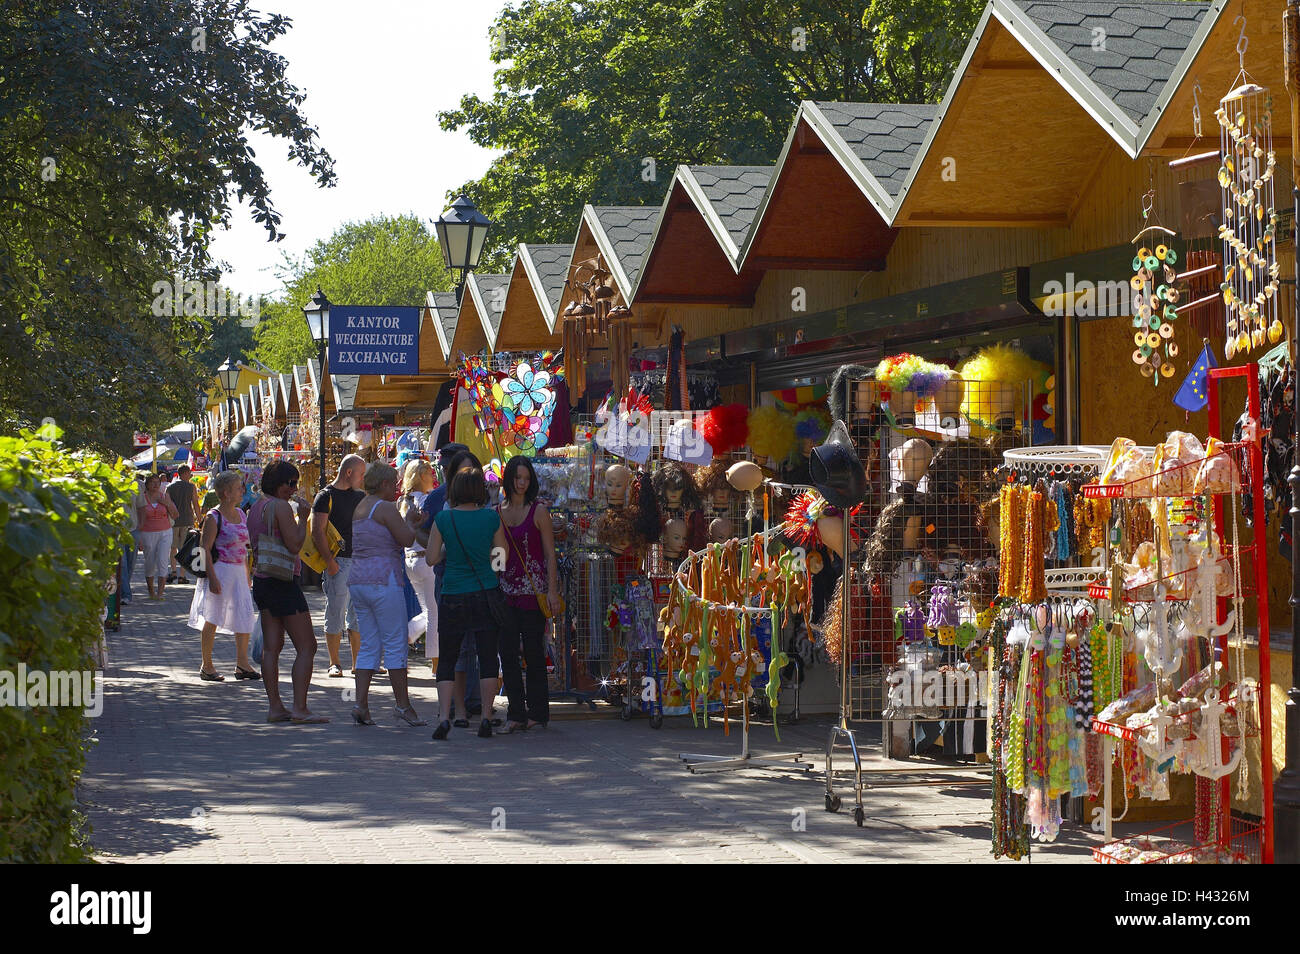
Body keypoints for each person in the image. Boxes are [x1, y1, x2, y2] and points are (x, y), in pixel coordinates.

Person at [426, 467, 508, 740]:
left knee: (448, 658)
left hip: (453, 594)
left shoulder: (443, 519)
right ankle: (486, 716)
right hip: (485, 592)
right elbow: (500, 558)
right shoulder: (490, 518)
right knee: (487, 658)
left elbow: (431, 559)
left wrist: (453, 549)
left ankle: (444, 717)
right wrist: (485, 560)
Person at [249, 460, 328, 724]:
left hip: (262, 579)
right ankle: (300, 708)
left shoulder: (256, 506)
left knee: (272, 647)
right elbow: (295, 545)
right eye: (290, 483)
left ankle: (275, 707)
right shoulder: (280, 507)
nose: (293, 489)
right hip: (283, 581)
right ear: (277, 483)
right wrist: (304, 517)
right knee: (308, 645)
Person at [348, 463, 423, 726]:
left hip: (359, 580)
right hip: (384, 580)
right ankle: (403, 706)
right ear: (383, 485)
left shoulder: (360, 507)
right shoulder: (385, 508)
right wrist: (411, 520)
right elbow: (405, 538)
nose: (398, 487)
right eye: (394, 483)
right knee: (395, 642)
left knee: (369, 643)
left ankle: (360, 703)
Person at [497, 456, 561, 731]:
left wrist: (552, 590)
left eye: (526, 478)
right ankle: (515, 712)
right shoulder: (497, 511)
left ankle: (537, 712)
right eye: (517, 478)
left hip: (534, 595)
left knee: (534, 653)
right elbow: (497, 555)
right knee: (508, 653)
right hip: (506, 592)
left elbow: (550, 555)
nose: (521, 483)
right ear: (509, 479)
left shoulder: (539, 512)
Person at [188, 470, 258, 681]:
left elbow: (244, 548)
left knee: (244, 616)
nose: (242, 491)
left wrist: (247, 574)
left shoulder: (241, 514)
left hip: (238, 571)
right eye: (239, 488)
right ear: (226, 492)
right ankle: (207, 665)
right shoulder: (213, 516)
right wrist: (212, 578)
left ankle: (242, 664)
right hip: (220, 570)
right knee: (213, 617)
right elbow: (204, 549)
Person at [313, 455, 367, 678]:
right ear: (348, 473)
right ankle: (334, 662)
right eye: (361, 474)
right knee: (335, 611)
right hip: (340, 562)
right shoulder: (325, 496)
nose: (362, 479)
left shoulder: (361, 496)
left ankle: (358, 663)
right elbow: (317, 531)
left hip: (360, 562)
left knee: (358, 614)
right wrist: (330, 562)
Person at [400, 459, 437, 653]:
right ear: (422, 476)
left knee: (428, 609)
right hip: (424, 559)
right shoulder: (425, 501)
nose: (432, 477)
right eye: (430, 473)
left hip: (410, 560)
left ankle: (406, 634)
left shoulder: (403, 502)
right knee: (433, 613)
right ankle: (435, 661)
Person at [136, 473, 179, 600]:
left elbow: (176, 515)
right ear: (147, 485)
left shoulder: (164, 496)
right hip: (147, 533)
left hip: (165, 532)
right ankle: (151, 591)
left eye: (157, 482)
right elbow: (139, 519)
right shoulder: (142, 498)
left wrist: (167, 503)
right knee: (150, 563)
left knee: (162, 560)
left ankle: (160, 593)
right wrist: (139, 539)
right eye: (152, 482)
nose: (155, 485)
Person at [167, 464, 201, 584]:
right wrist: (200, 519)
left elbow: (167, 504)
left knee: (173, 548)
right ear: (185, 473)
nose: (190, 476)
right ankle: (182, 575)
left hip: (173, 521)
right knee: (184, 549)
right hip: (187, 520)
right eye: (189, 473)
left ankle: (173, 572)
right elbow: (196, 504)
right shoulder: (191, 487)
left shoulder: (170, 487)